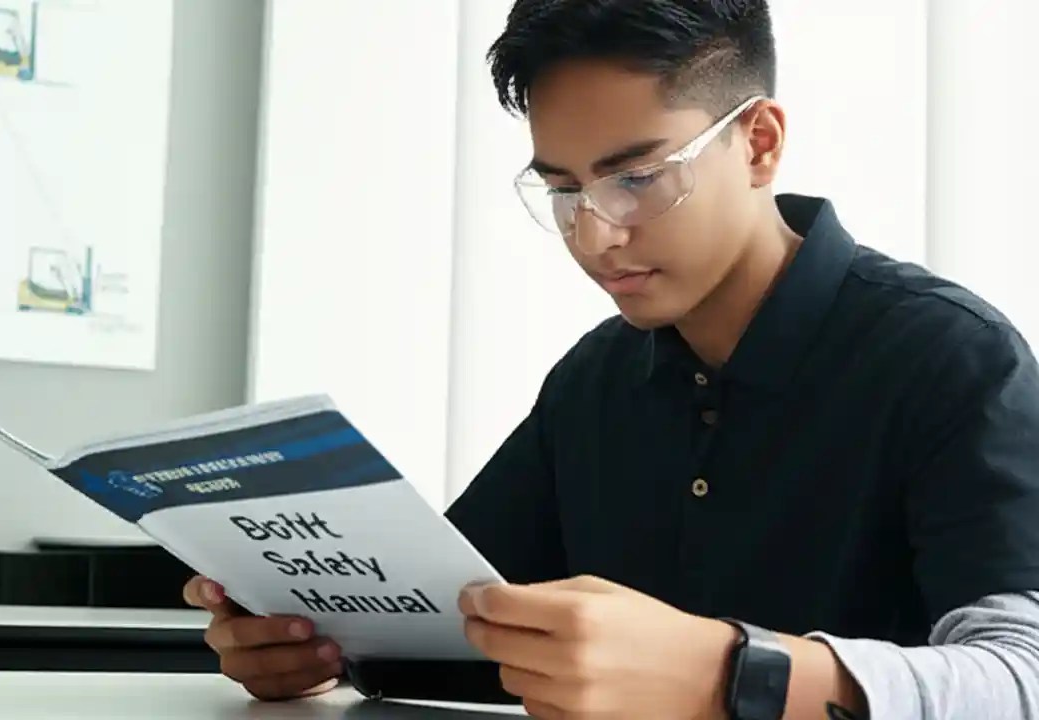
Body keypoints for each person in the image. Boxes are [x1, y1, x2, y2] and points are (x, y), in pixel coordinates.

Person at [185, 1, 1039, 717]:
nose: (595, 234)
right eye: (563, 190)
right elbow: (454, 629)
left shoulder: (950, 358)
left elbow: (1022, 677)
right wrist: (310, 645)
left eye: (636, 178)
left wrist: (726, 674)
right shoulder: (598, 379)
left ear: (762, 143)